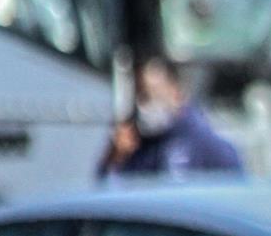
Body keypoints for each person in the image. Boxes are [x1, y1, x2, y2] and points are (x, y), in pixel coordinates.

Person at [96, 55, 244, 180]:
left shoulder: (206, 144)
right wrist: (113, 159)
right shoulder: (135, 147)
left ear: (176, 93)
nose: (143, 106)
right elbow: (107, 194)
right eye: (139, 97)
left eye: (149, 97)